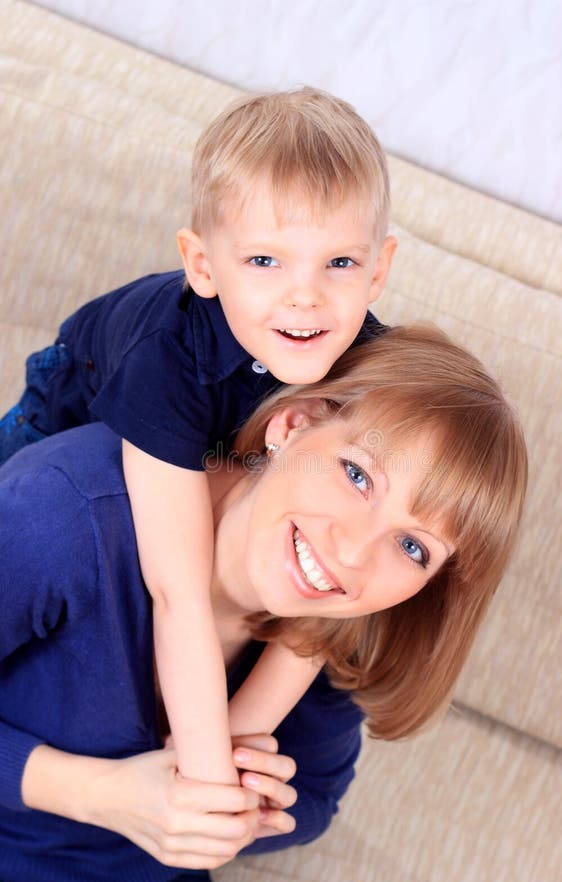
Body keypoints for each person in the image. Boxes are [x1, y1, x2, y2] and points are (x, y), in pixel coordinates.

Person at [0, 325, 527, 882]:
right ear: (292, 424)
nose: (352, 553)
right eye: (357, 477)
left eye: (412, 547)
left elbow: (317, 797)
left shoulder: (334, 626)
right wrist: (99, 794)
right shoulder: (64, 518)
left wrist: (242, 812)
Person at [0, 88, 398, 789]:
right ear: (203, 265)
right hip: (69, 410)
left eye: (339, 263)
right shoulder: (168, 357)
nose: (306, 297)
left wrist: (235, 755)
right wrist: (207, 782)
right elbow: (176, 592)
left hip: (229, 451)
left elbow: (323, 607)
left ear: (379, 270)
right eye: (265, 261)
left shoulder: (372, 370)